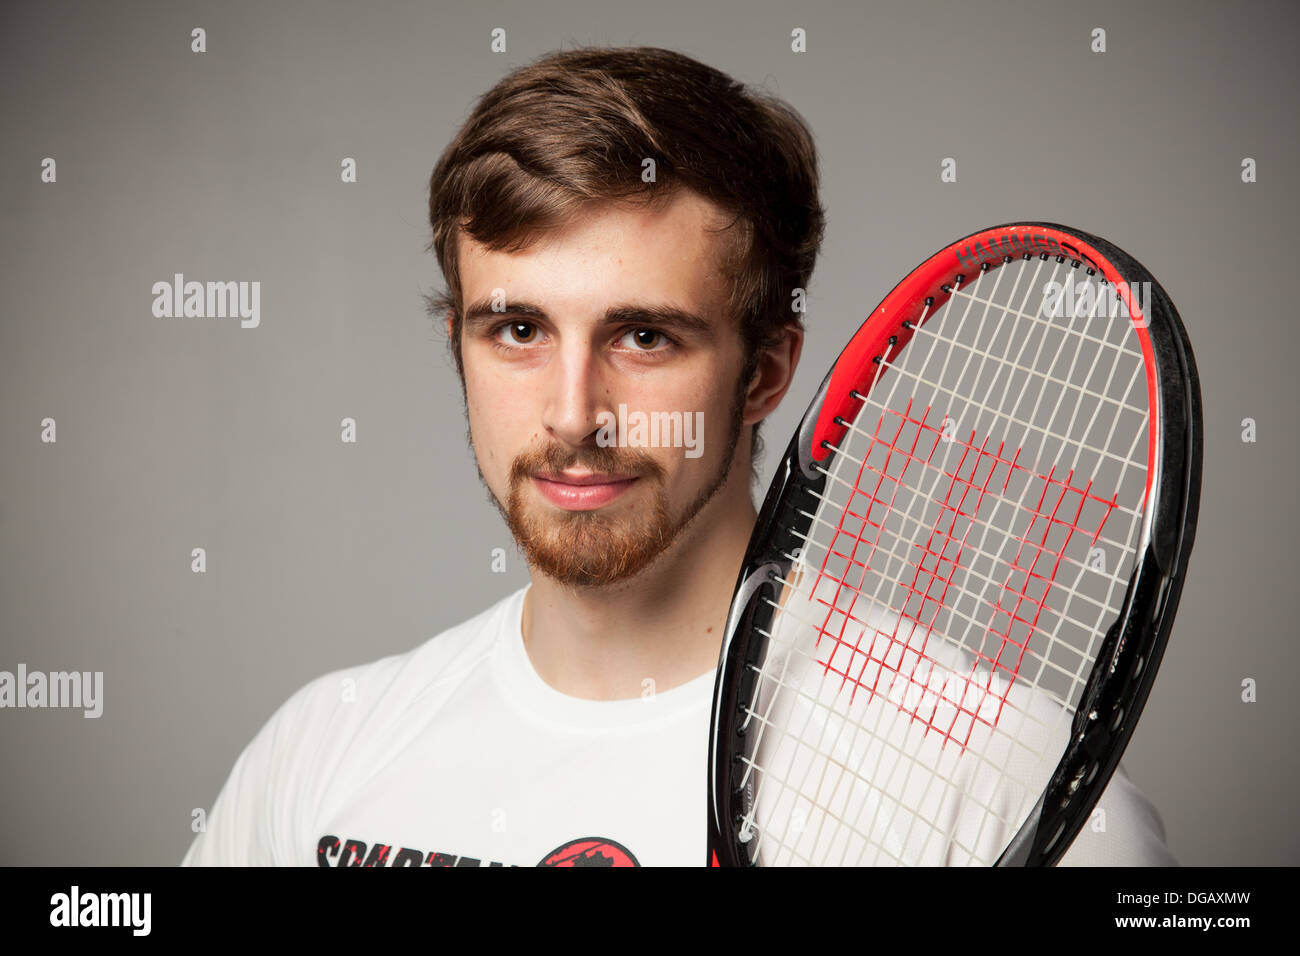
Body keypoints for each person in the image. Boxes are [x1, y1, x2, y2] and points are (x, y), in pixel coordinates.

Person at [181, 45, 1175, 867]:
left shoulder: (1010, 785)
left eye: (645, 337)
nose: (574, 415)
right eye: (518, 330)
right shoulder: (317, 753)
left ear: (764, 371)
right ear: (459, 349)